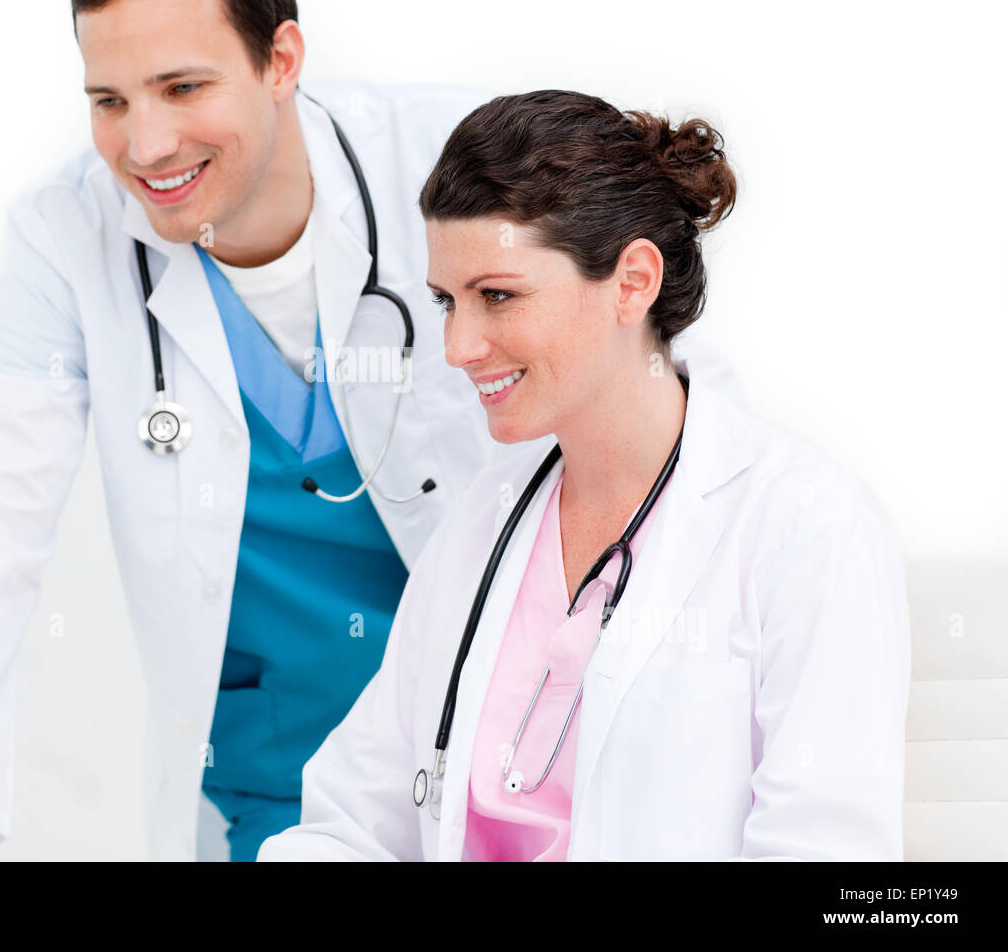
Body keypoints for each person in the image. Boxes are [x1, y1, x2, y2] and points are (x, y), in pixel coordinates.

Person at [257, 90, 911, 861]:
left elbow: (825, 855)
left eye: (497, 296)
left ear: (632, 283)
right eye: (446, 302)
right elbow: (351, 820)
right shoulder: (484, 523)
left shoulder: (806, 529)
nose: (459, 347)